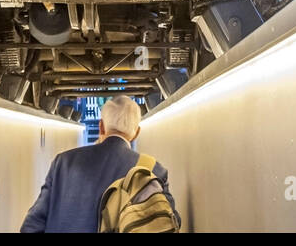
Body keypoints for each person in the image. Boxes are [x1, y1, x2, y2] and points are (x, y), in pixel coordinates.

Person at [20, 95, 180, 232]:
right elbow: (170, 221)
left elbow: (32, 225)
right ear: (136, 132)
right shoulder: (151, 169)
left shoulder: (63, 163)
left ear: (101, 126)